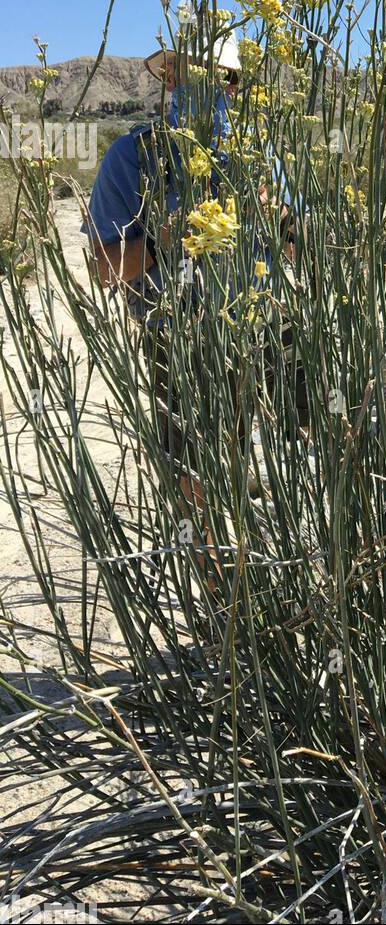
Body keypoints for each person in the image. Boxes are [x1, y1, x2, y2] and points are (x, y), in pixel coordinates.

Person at [82, 33, 307, 573]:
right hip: (174, 333)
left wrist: (281, 220)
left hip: (262, 320)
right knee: (189, 469)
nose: (209, 88)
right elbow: (100, 268)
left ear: (234, 85)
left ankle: (295, 566)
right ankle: (219, 591)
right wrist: (164, 240)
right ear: (170, 79)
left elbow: (302, 241)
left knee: (301, 436)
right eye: (190, 73)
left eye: (221, 78)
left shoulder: (258, 155)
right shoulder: (132, 157)